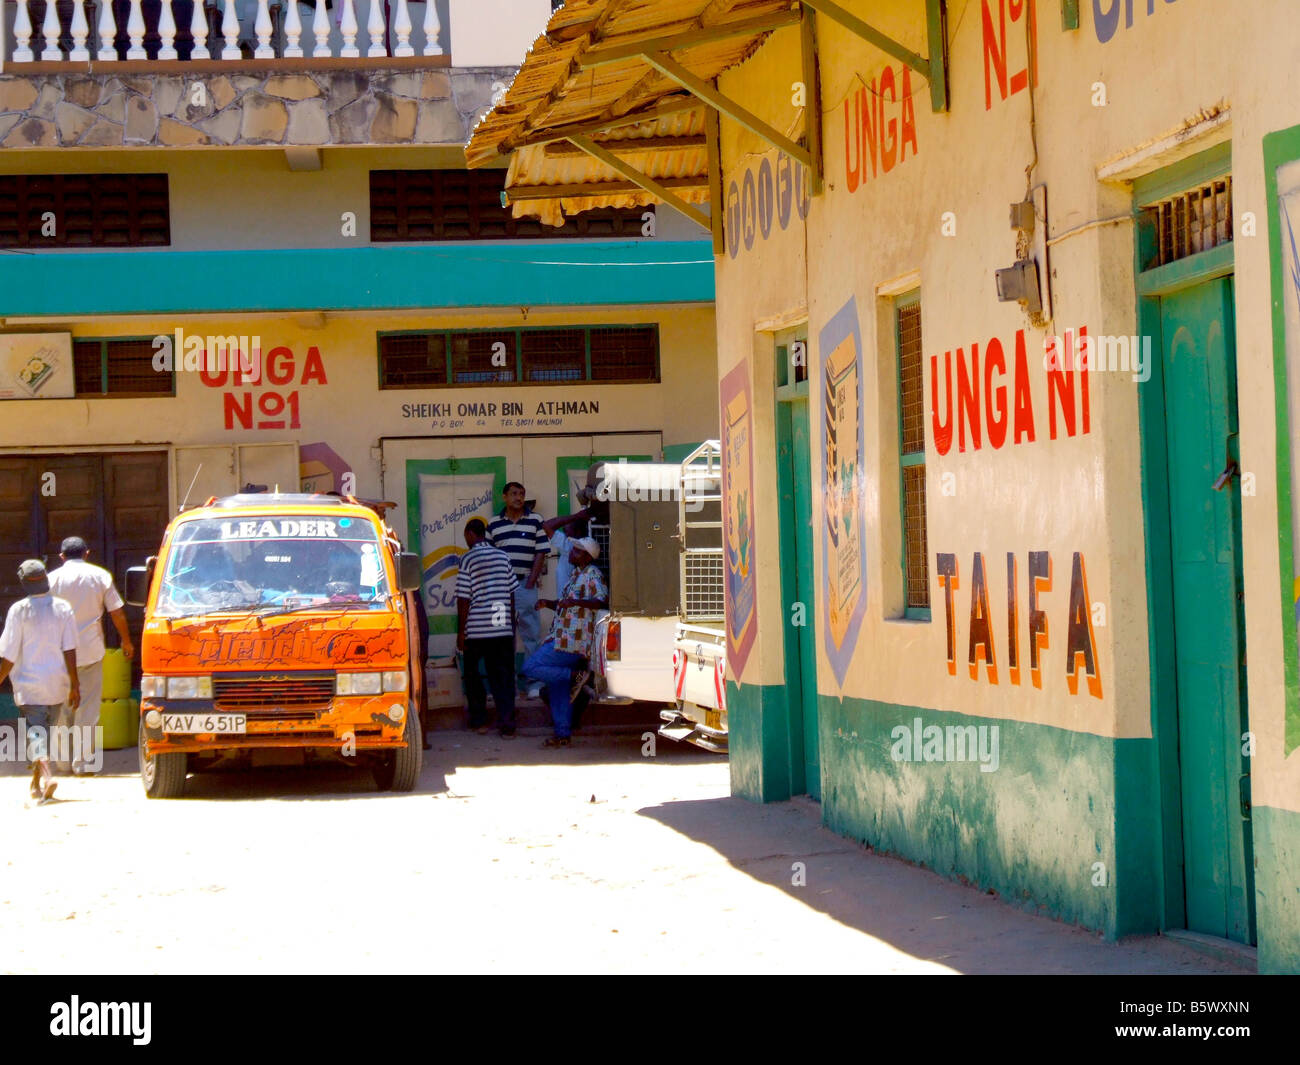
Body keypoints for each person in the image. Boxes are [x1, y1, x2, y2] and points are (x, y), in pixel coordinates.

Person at [47, 537, 133, 776]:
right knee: (88, 709)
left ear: (62, 556)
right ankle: (82, 764)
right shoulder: (100, 576)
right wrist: (126, 641)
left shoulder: (51, 579)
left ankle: (63, 764)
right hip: (90, 651)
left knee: (62, 708)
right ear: (87, 553)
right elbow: (116, 613)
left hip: (59, 655)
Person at [0, 560, 81, 803]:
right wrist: (75, 685)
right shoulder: (63, 608)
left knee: (37, 736)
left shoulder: (19, 610)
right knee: (42, 735)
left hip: (30, 685)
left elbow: (10, 654)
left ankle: (48, 779)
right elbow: (70, 649)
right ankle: (35, 784)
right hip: (57, 685)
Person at [523, 537, 608, 749]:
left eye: (576, 551)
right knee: (558, 689)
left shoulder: (593, 574)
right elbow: (567, 606)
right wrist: (548, 604)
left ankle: (576, 676)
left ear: (587, 556)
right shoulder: (575, 575)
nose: (571, 552)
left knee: (530, 667)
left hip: (572, 642)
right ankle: (562, 734)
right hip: (563, 636)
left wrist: (575, 602)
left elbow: (602, 601)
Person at [455, 518, 519, 738]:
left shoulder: (467, 559)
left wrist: (461, 632)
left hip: (476, 628)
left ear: (471, 534)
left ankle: (480, 720)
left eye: (466, 536)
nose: (466, 540)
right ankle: (507, 725)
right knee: (503, 677)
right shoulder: (503, 557)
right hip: (501, 626)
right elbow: (511, 594)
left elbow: (464, 598)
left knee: (473, 676)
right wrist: (510, 627)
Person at [487, 482, 550, 698]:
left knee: (531, 634)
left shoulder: (535, 520)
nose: (518, 498)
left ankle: (534, 683)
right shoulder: (494, 525)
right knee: (502, 636)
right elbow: (488, 557)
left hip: (525, 586)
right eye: (514, 494)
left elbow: (541, 552)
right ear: (504, 497)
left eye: (522, 494)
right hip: (500, 591)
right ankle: (508, 686)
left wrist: (531, 581)